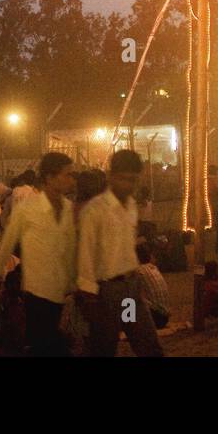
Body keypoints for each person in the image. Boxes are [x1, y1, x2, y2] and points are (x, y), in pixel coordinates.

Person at [76, 149, 163, 357]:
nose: (129, 185)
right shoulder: (95, 211)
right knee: (104, 348)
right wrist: (90, 300)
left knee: (145, 342)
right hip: (105, 294)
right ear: (111, 176)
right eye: (124, 179)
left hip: (129, 291)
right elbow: (85, 255)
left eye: (133, 180)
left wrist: (136, 284)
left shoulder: (131, 205)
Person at [0, 152, 77, 356]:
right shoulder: (28, 208)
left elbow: (71, 247)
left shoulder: (67, 208)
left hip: (60, 289)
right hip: (37, 290)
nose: (71, 179)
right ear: (49, 177)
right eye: (67, 174)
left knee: (47, 343)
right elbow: (7, 242)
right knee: (45, 343)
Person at [135, 244, 171, 329]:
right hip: (164, 317)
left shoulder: (138, 271)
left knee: (127, 298)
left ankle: (129, 326)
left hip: (154, 318)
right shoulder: (153, 268)